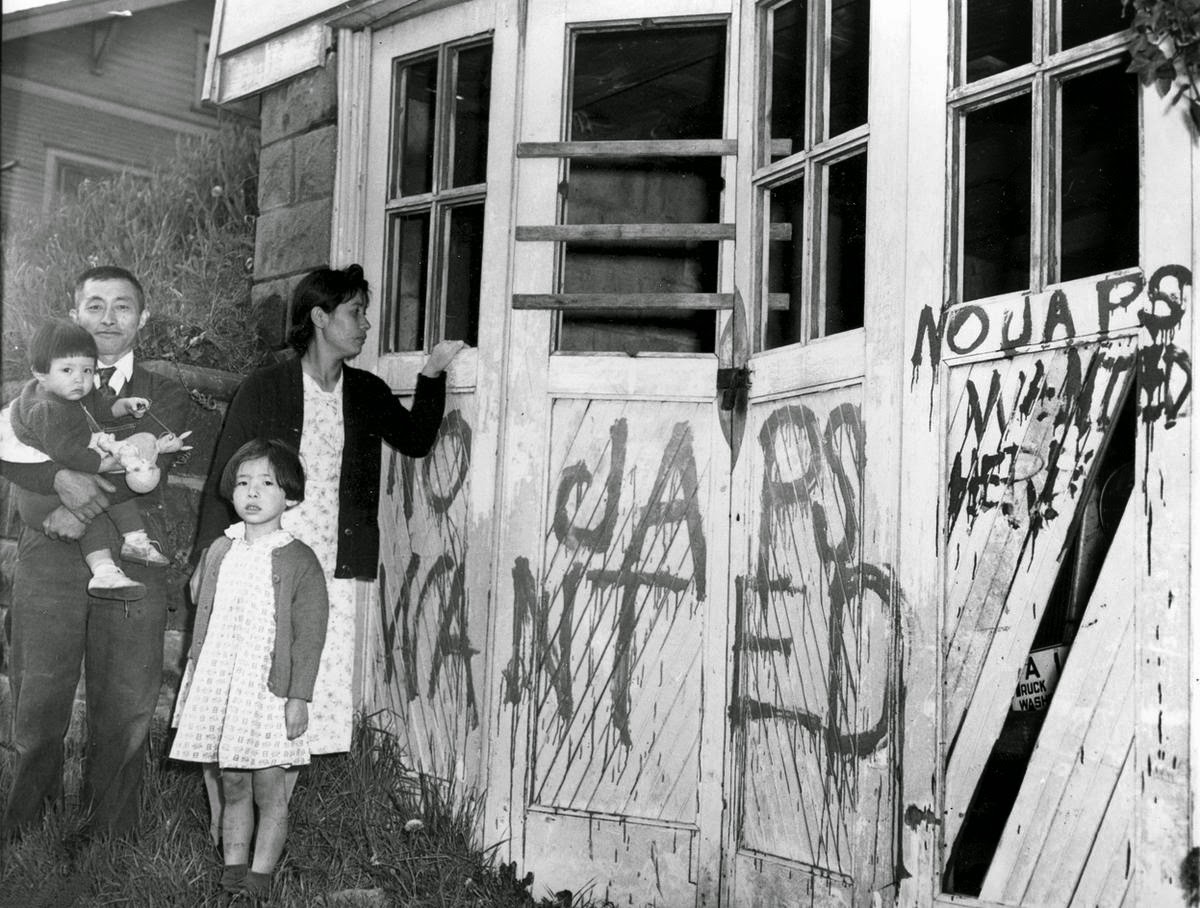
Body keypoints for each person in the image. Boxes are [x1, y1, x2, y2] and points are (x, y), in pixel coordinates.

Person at [195, 263, 463, 764]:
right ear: (320, 316)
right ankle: (234, 813)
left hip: (332, 569)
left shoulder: (366, 391)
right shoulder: (265, 387)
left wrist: (431, 375)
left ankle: (279, 807)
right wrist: (208, 561)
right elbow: (225, 482)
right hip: (264, 564)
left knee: (310, 681)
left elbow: (416, 439)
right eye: (355, 312)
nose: (365, 325)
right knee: (250, 678)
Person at [0, 265, 192, 840]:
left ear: (143, 318)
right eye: (95, 305)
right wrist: (50, 496)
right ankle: (24, 831)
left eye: (123, 306)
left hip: (131, 554)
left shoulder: (163, 396)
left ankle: (108, 836)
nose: (108, 318)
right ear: (74, 311)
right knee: (38, 696)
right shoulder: (32, 391)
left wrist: (64, 493)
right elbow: (9, 459)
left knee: (127, 705)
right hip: (48, 557)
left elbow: (142, 475)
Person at [172, 438, 328, 900]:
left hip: (268, 691)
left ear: (291, 497)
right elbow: (203, 608)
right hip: (224, 682)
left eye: (266, 483)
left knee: (268, 785)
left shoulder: (299, 559)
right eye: (243, 483)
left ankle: (261, 877)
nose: (252, 493)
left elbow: (310, 636)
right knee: (233, 778)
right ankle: (233, 871)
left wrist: (298, 696)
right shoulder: (222, 549)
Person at [7, 319, 189, 600]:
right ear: (40, 373)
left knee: (110, 491)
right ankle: (104, 570)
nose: (79, 379)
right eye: (67, 370)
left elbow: (99, 407)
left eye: (87, 370)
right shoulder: (45, 409)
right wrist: (101, 463)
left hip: (68, 468)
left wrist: (125, 406)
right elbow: (65, 452)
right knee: (100, 498)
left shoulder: (71, 390)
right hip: (44, 495)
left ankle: (134, 540)